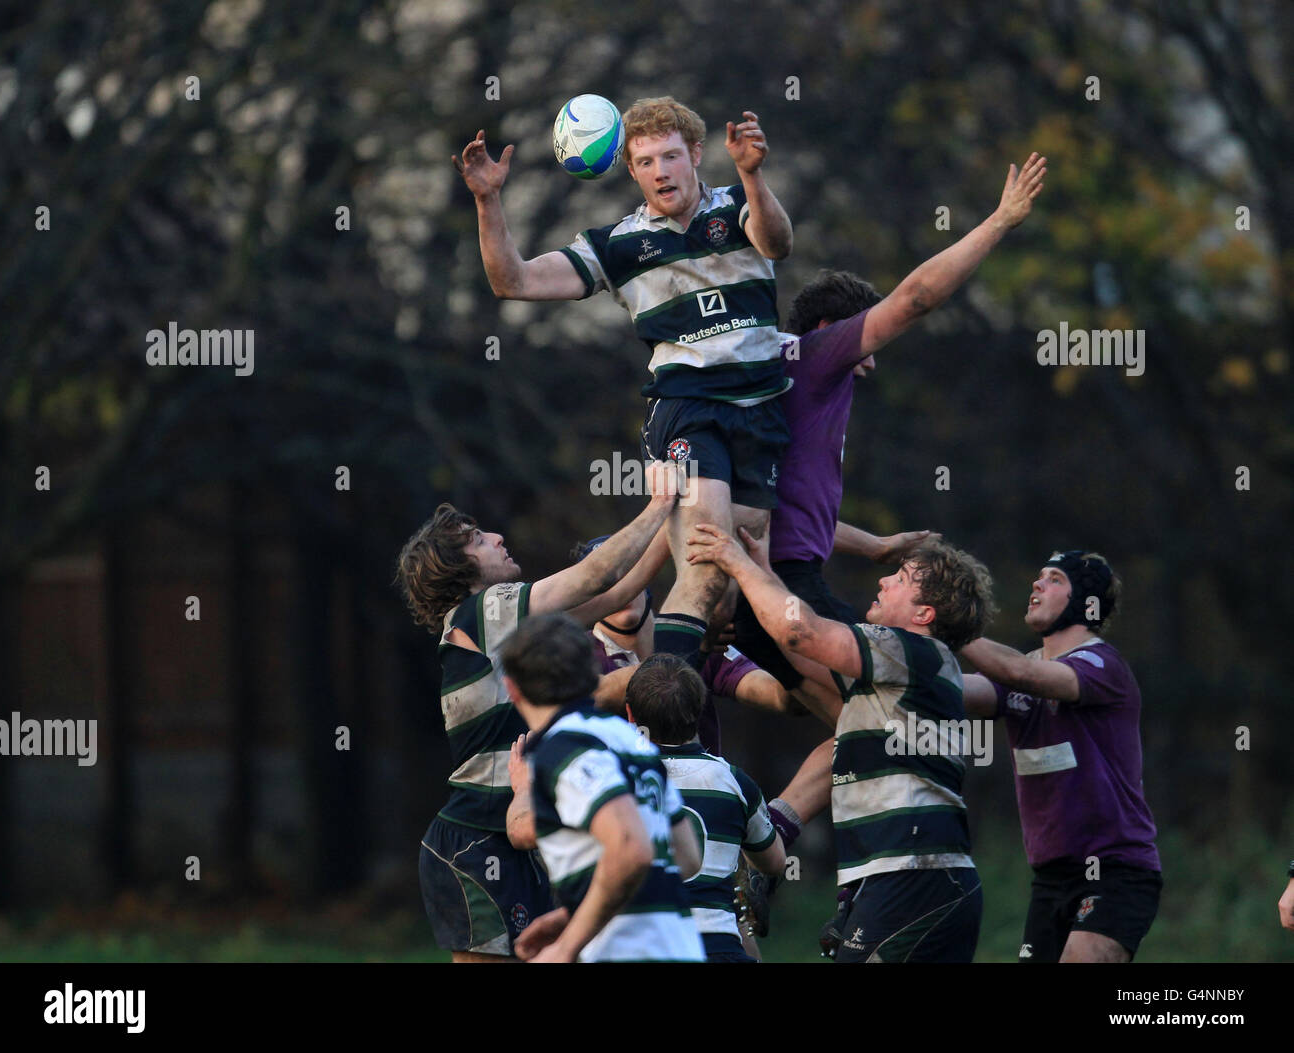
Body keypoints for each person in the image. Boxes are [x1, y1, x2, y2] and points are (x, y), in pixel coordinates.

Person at [453, 96, 793, 669]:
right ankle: (665, 702)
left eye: (670, 156)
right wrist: (488, 200)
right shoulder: (616, 244)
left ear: (696, 155)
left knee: (736, 582)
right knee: (709, 559)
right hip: (687, 409)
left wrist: (753, 175)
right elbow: (513, 281)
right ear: (631, 171)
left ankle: (686, 685)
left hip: (761, 412)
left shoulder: (739, 203)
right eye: (645, 162)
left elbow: (777, 243)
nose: (660, 171)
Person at [735, 151, 1047, 694]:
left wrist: (876, 546)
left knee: (849, 722)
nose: (873, 362)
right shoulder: (816, 358)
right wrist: (999, 221)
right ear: (832, 329)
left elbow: (788, 507)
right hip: (785, 582)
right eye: (868, 345)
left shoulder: (777, 372)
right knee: (904, 688)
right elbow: (916, 298)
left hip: (757, 577)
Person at [394, 462, 679, 962]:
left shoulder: (502, 625)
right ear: (457, 569)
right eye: (479, 539)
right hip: (475, 840)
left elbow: (615, 593)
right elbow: (598, 572)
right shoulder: (481, 610)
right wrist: (660, 503)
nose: (498, 538)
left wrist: (678, 517)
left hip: (516, 832)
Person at [689, 525, 994, 962]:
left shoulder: (908, 650)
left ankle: (770, 840)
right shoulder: (901, 674)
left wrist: (735, 558)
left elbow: (802, 634)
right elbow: (793, 647)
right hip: (912, 879)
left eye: (902, 579)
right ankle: (773, 837)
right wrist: (760, 571)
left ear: (924, 614)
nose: (884, 580)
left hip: (914, 876)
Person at [959, 551, 1162, 963]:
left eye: (1054, 579)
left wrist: (954, 626)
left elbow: (1024, 676)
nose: (1037, 584)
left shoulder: (1102, 665)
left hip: (1115, 870)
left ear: (1086, 603)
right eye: (1038, 576)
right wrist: (898, 653)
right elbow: (954, 691)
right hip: (1051, 879)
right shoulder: (1019, 670)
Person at [500, 613, 704, 963]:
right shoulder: (629, 740)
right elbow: (685, 858)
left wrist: (566, 946)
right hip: (680, 946)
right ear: (591, 674)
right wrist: (574, 914)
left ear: (512, 688)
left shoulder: (565, 748)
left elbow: (631, 849)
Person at [623, 653, 786, 961]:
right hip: (717, 946)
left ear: (630, 714)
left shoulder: (617, 780)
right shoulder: (733, 781)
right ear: (700, 710)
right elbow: (775, 862)